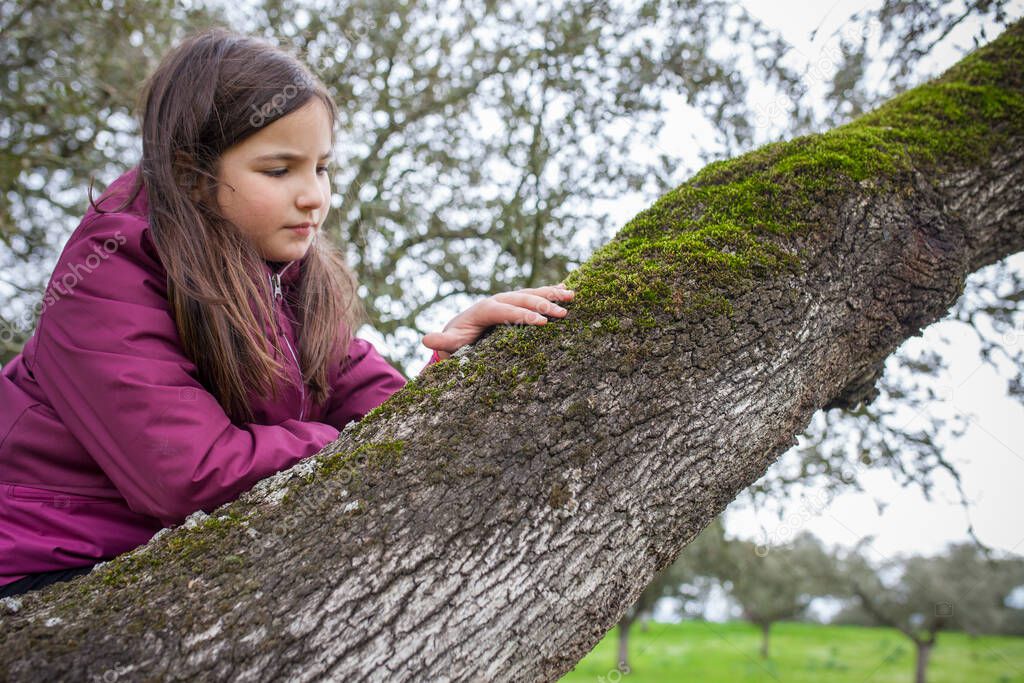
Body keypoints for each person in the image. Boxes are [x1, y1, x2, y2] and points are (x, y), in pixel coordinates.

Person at [0, 28, 574, 598]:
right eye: (279, 171)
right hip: (46, 564)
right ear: (192, 174)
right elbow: (190, 476)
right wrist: (338, 442)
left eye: (321, 168)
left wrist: (456, 362)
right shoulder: (109, 269)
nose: (314, 197)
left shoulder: (288, 273)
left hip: (161, 556)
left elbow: (388, 423)